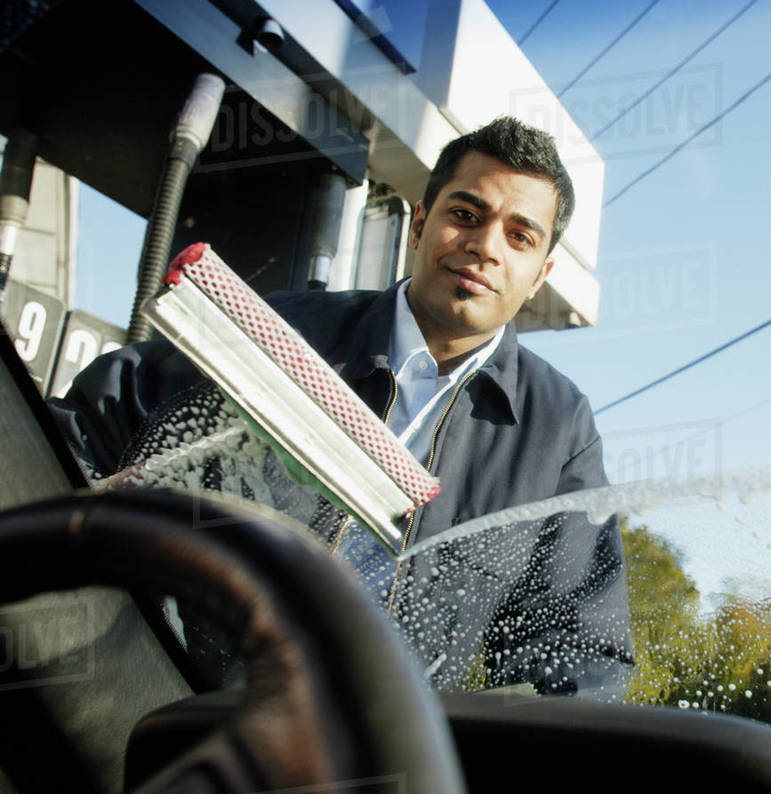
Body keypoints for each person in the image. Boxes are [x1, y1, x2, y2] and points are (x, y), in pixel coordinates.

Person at [51, 116, 634, 696]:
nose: (484, 247)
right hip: (170, 713)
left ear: (540, 276)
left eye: (520, 236)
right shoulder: (278, 332)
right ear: (420, 221)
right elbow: (72, 435)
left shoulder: (558, 432)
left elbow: (578, 654)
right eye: (466, 215)